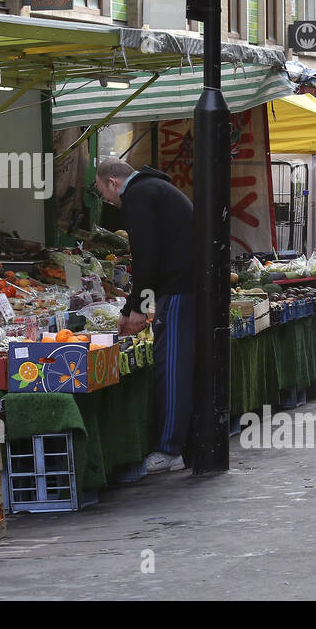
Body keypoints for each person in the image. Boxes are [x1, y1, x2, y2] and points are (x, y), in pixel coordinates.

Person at [94, 158, 195, 475]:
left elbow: (147, 257)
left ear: (113, 182)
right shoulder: (156, 188)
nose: (108, 202)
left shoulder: (138, 195)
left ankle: (169, 448)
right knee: (172, 364)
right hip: (180, 289)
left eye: (104, 193)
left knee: (172, 367)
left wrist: (138, 308)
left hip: (179, 290)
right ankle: (179, 445)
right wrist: (132, 309)